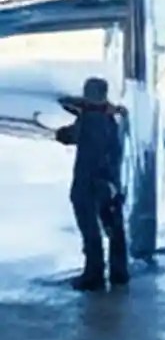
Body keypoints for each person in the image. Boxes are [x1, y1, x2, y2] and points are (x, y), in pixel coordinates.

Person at [55, 77, 129, 291]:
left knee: (90, 230)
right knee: (114, 229)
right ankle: (119, 273)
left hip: (88, 183)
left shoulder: (90, 120)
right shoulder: (111, 118)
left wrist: (59, 132)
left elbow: (69, 135)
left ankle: (94, 274)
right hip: (111, 183)